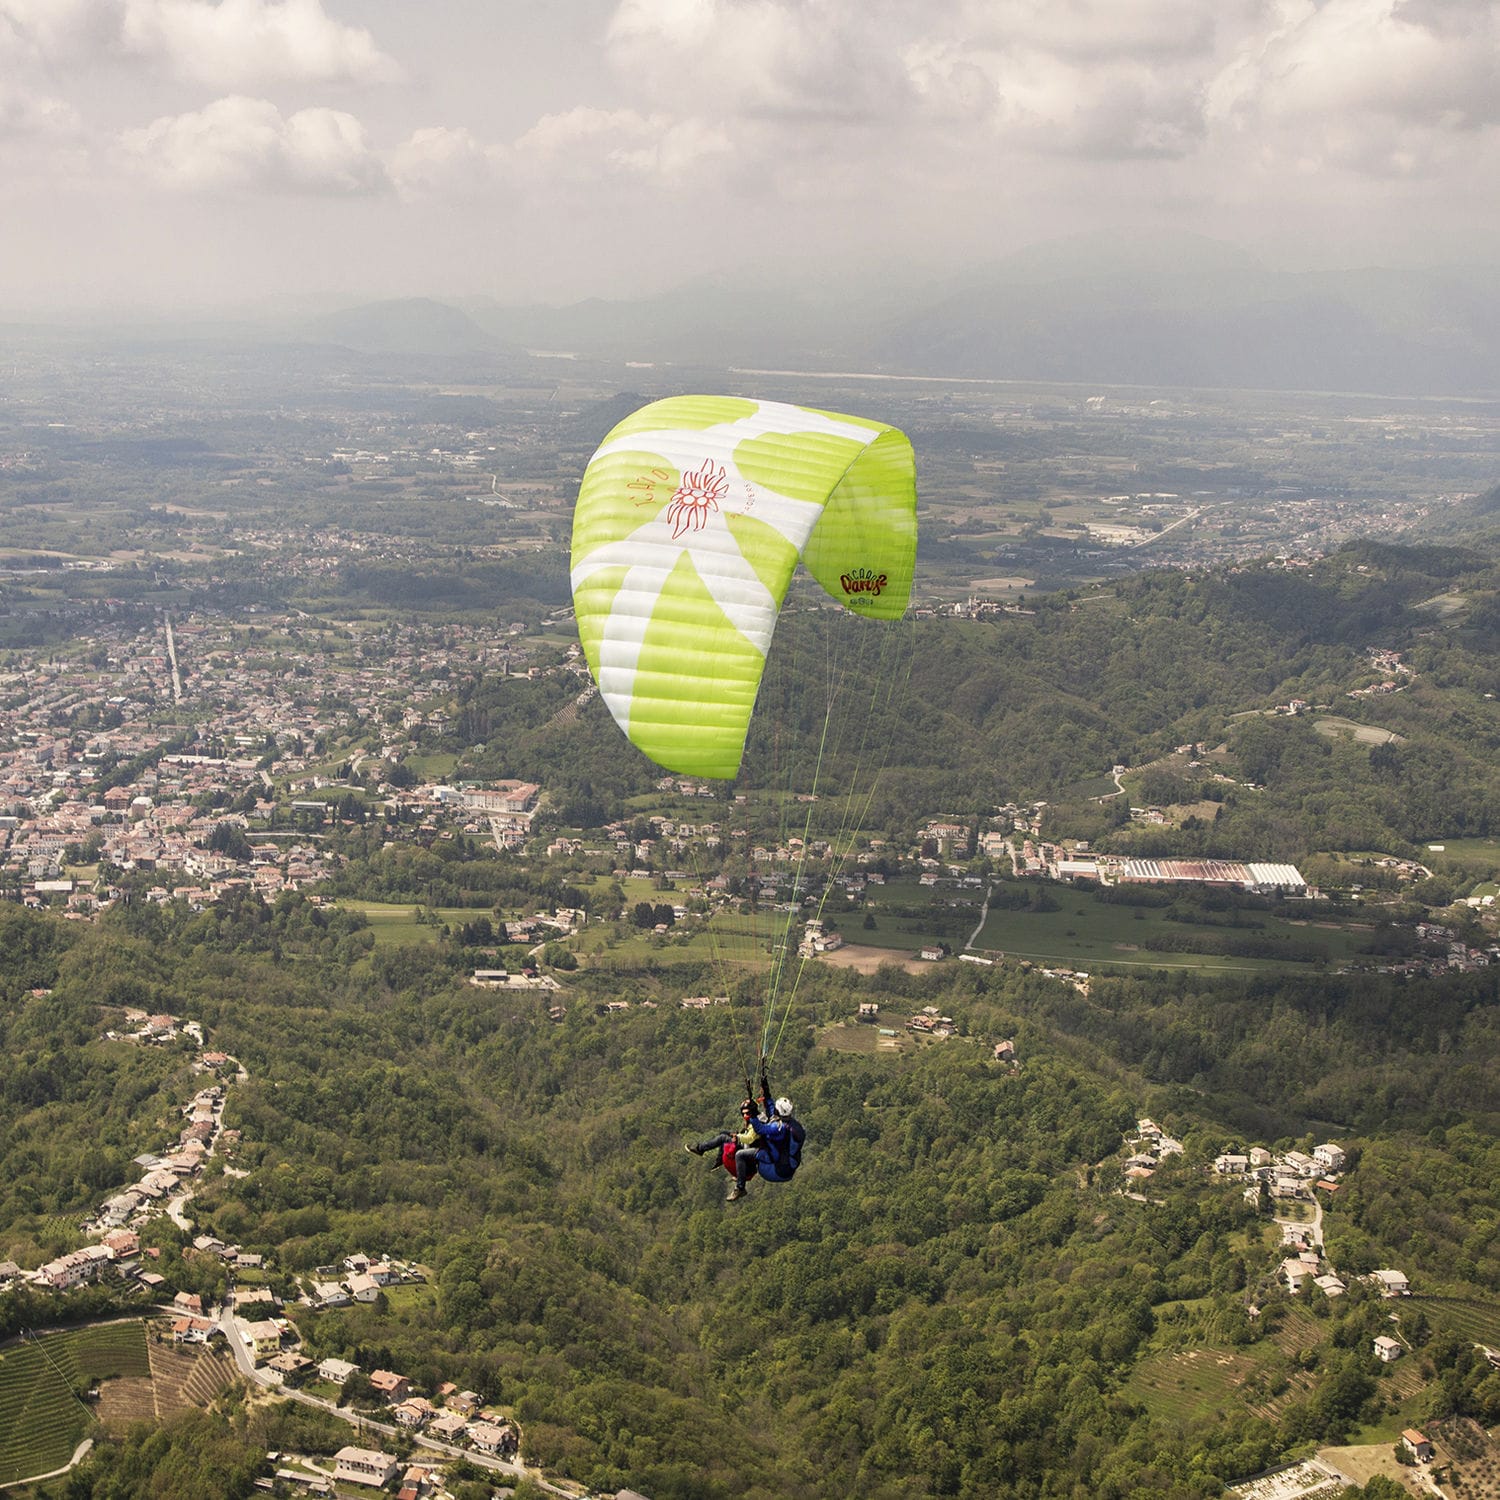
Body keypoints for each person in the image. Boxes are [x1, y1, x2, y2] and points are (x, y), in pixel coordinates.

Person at [684, 1089, 804, 1201]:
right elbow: (771, 1109)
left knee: (739, 1154)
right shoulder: (781, 1121)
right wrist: (766, 1092)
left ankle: (740, 1188)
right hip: (770, 1150)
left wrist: (739, 1135)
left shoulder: (777, 1127)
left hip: (770, 1155)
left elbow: (756, 1133)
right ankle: (715, 1158)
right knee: (723, 1135)